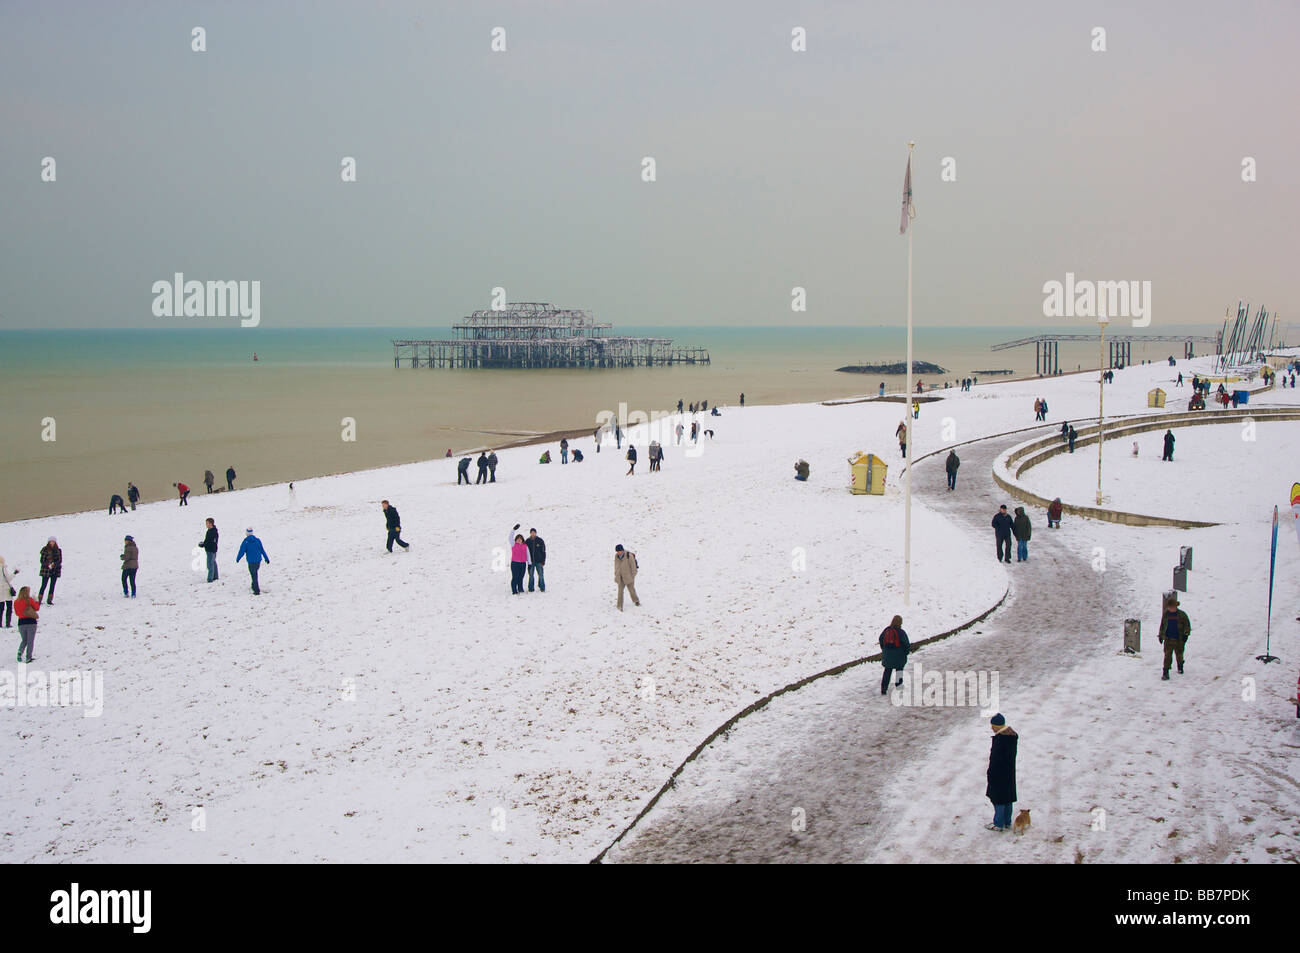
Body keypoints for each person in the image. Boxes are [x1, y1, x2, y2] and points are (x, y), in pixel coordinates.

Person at [985, 713, 1018, 831]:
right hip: (1009, 774)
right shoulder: (1011, 737)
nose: (991, 728)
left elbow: (995, 760)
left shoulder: (1000, 740)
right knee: (1007, 798)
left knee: (998, 799)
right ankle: (1007, 822)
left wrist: (990, 774)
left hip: (999, 774)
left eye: (993, 725)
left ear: (998, 726)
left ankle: (998, 824)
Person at [1159, 595, 1191, 680]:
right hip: (1168, 639)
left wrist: (1185, 635)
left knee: (1179, 654)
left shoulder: (1182, 615)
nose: (1171, 608)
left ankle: (1180, 666)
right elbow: (1162, 625)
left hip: (1179, 639)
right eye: (1170, 607)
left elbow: (1187, 626)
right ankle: (1165, 672)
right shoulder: (1166, 615)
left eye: (1173, 607)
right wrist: (1161, 635)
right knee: (1167, 656)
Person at [878, 614, 910, 696]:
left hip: (888, 656)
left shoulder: (887, 630)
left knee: (887, 672)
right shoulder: (901, 632)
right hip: (899, 656)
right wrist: (905, 653)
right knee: (899, 670)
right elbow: (906, 644)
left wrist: (884, 649)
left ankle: (883, 689)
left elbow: (881, 638)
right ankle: (899, 687)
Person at [235, 528, 269, 595]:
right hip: (258, 560)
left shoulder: (245, 542)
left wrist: (238, 558)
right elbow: (262, 550)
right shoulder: (257, 540)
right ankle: (253, 585)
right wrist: (266, 558)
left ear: (246, 533)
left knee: (253, 574)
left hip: (251, 561)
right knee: (254, 573)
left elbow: (241, 551)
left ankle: (256, 590)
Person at [14, 586, 38, 663]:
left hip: (21, 622)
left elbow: (17, 613)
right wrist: (36, 601)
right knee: (30, 640)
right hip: (31, 622)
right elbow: (37, 608)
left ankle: (20, 652)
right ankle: (28, 657)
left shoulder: (16, 602)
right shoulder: (29, 600)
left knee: (24, 640)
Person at [614, 544, 640, 610]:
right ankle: (619, 606)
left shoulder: (629, 556)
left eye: (619, 551)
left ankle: (636, 600)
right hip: (620, 577)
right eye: (617, 551)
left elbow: (634, 568)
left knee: (631, 590)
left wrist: (632, 576)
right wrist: (616, 574)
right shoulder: (616, 556)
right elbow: (616, 566)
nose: (618, 552)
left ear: (622, 550)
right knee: (620, 591)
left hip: (629, 577)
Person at [38, 537, 61, 604]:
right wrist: (48, 565)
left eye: (53, 541)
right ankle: (39, 599)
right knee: (44, 585)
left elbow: (59, 560)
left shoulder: (58, 550)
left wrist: (54, 564)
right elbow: (42, 560)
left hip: (55, 570)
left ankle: (49, 600)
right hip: (46, 570)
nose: (52, 543)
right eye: (51, 541)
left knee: (52, 585)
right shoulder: (45, 550)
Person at [525, 528, 546, 593]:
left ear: (536, 533)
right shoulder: (527, 541)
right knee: (531, 575)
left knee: (541, 575)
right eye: (531, 532)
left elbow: (543, 551)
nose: (533, 533)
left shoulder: (540, 540)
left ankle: (542, 587)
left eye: (534, 532)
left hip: (539, 561)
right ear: (530, 533)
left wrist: (543, 560)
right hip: (530, 562)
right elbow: (525, 551)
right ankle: (531, 588)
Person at [508, 525, 527, 595]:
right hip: (515, 563)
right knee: (515, 577)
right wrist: (513, 530)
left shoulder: (525, 546)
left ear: (522, 540)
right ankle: (514, 590)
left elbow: (528, 555)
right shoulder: (513, 544)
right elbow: (510, 538)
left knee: (521, 577)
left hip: (523, 563)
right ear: (516, 539)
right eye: (518, 538)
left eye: (520, 538)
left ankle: (520, 588)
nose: (519, 540)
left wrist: (530, 563)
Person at [0, 556, 16, 628]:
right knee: (9, 607)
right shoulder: (3, 568)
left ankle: (0, 623)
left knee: (1, 608)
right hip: (6, 589)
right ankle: (8, 623)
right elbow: (8, 578)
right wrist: (14, 573)